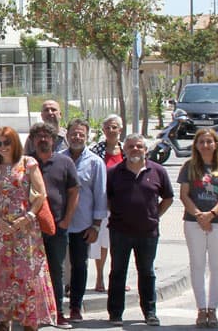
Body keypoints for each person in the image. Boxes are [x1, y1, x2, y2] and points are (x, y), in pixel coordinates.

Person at [0, 126, 56, 330]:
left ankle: (29, 319)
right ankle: (4, 319)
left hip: (26, 229)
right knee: (3, 273)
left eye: (7, 142)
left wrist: (28, 217)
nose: (3, 147)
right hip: (2, 230)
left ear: (15, 143)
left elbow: (41, 194)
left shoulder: (28, 163)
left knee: (27, 272)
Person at [104, 134, 173, 326]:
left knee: (147, 272)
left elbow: (168, 198)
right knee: (117, 272)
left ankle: (150, 312)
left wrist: (155, 215)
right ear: (124, 150)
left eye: (139, 146)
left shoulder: (158, 171)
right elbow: (107, 198)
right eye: (131, 146)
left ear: (146, 150)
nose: (135, 149)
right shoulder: (114, 172)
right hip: (120, 231)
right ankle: (115, 313)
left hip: (148, 232)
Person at [180, 128, 218, 329]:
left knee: (217, 265)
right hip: (193, 222)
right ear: (196, 145)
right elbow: (184, 195)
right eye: (201, 142)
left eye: (209, 141)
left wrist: (211, 215)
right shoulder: (189, 166)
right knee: (197, 264)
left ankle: (213, 309)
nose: (205, 145)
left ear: (216, 144)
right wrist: (198, 216)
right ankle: (201, 309)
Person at [27, 122, 80, 328]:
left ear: (53, 139)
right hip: (31, 228)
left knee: (56, 271)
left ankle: (57, 313)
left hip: (57, 227)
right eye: (38, 136)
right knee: (31, 271)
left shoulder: (65, 162)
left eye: (46, 136)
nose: (42, 139)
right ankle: (33, 314)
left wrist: (66, 220)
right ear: (33, 140)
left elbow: (74, 192)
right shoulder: (26, 163)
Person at [62, 119, 107, 324]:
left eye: (81, 134)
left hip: (83, 225)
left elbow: (100, 195)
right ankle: (56, 308)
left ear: (87, 137)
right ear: (67, 135)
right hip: (59, 224)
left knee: (79, 266)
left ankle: (75, 307)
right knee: (57, 268)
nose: (77, 137)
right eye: (73, 133)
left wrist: (96, 225)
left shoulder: (95, 162)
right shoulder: (58, 159)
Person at [87, 114, 124, 292]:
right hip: (101, 203)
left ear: (120, 129)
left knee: (119, 244)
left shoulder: (127, 150)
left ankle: (118, 279)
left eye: (114, 127)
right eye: (107, 127)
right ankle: (100, 278)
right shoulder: (95, 151)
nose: (111, 130)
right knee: (101, 243)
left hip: (121, 205)